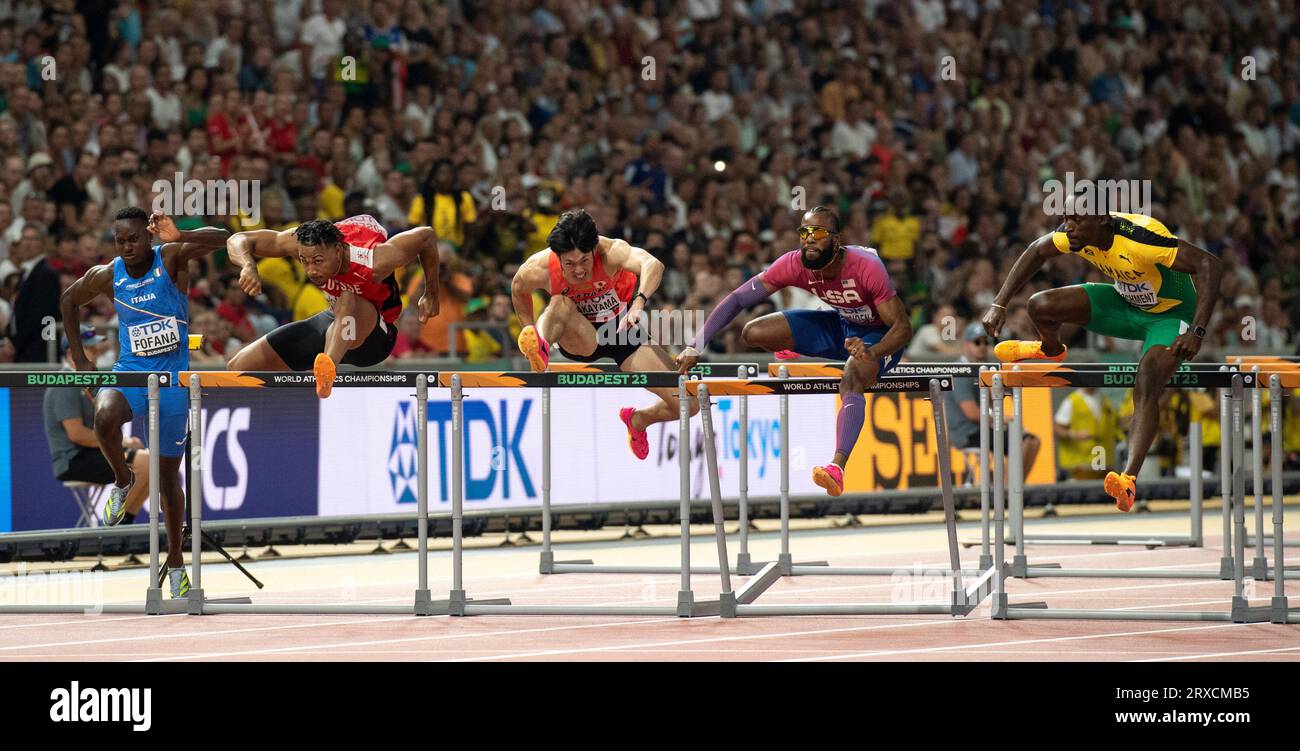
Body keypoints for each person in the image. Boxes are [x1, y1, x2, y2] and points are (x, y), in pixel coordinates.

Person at [982, 198, 1223, 510]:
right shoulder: (1074, 234)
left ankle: (1127, 480)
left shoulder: (1142, 237)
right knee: (1040, 306)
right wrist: (999, 303)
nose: (1069, 226)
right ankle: (1051, 350)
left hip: (1169, 315)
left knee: (1147, 381)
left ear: (1103, 221)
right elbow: (1036, 250)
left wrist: (1197, 332)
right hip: (1124, 307)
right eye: (1066, 217)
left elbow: (1210, 265)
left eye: (1077, 219)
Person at [676, 206, 914, 497]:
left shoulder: (866, 266)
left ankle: (836, 468)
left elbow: (903, 328)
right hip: (841, 328)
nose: (808, 239)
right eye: (804, 232)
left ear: (836, 241)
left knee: (851, 376)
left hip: (880, 336)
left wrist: (873, 351)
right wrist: (696, 343)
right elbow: (739, 298)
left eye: (818, 233)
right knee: (754, 332)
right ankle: (791, 347)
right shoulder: (794, 263)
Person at [59, 208, 229, 598]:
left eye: (134, 238)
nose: (128, 246)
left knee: (169, 480)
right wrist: (81, 359)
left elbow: (223, 237)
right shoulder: (109, 274)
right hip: (131, 371)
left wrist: (179, 233)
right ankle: (122, 480)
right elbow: (69, 301)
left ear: (148, 237)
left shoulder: (170, 257)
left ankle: (175, 565)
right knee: (104, 416)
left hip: (171, 381)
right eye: (121, 240)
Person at [511, 208, 695, 460]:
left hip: (621, 331)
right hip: (579, 334)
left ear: (594, 249)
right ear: (558, 256)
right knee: (560, 304)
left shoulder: (611, 251)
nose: (578, 271)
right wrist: (527, 327)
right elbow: (518, 289)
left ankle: (639, 420)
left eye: (584, 261)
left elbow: (653, 264)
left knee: (689, 404)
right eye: (570, 264)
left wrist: (639, 301)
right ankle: (540, 345)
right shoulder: (540, 267)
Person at [223, 214, 441, 398]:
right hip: (337, 323)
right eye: (304, 261)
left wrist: (431, 293)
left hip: (375, 338)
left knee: (348, 296)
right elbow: (238, 239)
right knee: (239, 367)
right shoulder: (304, 242)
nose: (311, 271)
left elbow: (427, 236)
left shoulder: (376, 261)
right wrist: (248, 265)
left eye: (318, 261)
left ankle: (327, 367)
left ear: (338, 250)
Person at [43, 324, 151, 524]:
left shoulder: (88, 381)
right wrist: (124, 443)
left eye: (95, 349)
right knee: (146, 463)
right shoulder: (65, 382)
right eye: (90, 349)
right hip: (74, 459)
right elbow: (77, 434)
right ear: (72, 353)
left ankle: (124, 529)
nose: (96, 354)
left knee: (152, 464)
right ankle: (116, 530)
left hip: (90, 454)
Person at [943, 323, 1040, 477]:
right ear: (967, 345)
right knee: (1024, 441)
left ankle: (1012, 491)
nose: (982, 346)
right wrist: (1002, 419)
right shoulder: (961, 371)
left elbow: (996, 400)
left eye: (986, 342)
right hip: (967, 432)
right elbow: (972, 413)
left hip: (980, 427)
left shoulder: (984, 369)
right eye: (977, 342)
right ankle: (1006, 493)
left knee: (1033, 441)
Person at [1055, 385, 1122, 481]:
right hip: (1080, 466)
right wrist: (1073, 434)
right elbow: (1057, 428)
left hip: (1103, 464)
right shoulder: (1072, 401)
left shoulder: (1105, 400)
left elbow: (1117, 423)